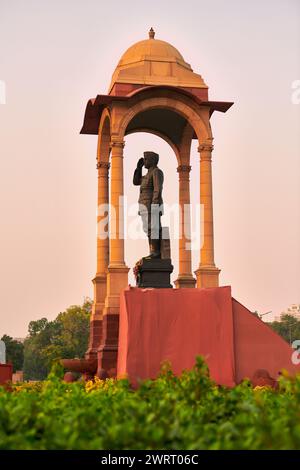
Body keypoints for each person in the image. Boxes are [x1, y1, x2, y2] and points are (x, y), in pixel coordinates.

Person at [133, 151, 164, 258]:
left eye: (146, 159)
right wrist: (139, 168)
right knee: (148, 229)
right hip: (144, 206)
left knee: (154, 228)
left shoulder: (156, 172)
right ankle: (152, 251)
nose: (144, 161)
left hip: (152, 205)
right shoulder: (147, 174)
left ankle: (155, 252)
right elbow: (136, 182)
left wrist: (155, 205)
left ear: (152, 160)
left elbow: (157, 189)